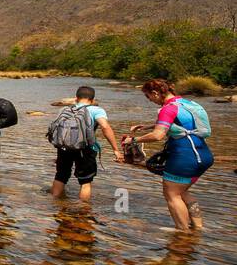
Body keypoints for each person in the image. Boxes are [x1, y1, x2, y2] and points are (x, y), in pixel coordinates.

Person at [122, 78, 214, 230]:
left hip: (185, 157)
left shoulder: (168, 109)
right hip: (204, 156)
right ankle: (198, 228)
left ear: (155, 93)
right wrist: (149, 126)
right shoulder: (189, 104)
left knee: (172, 195)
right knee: (182, 192)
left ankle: (182, 233)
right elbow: (184, 123)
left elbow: (158, 136)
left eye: (148, 96)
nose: (150, 100)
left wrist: (133, 140)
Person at [49, 85, 125, 201]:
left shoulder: (65, 110)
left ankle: (54, 202)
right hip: (85, 149)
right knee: (85, 181)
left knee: (61, 176)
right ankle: (83, 210)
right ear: (93, 100)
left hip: (64, 148)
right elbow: (105, 127)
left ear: (76, 98)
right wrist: (115, 149)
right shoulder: (96, 110)